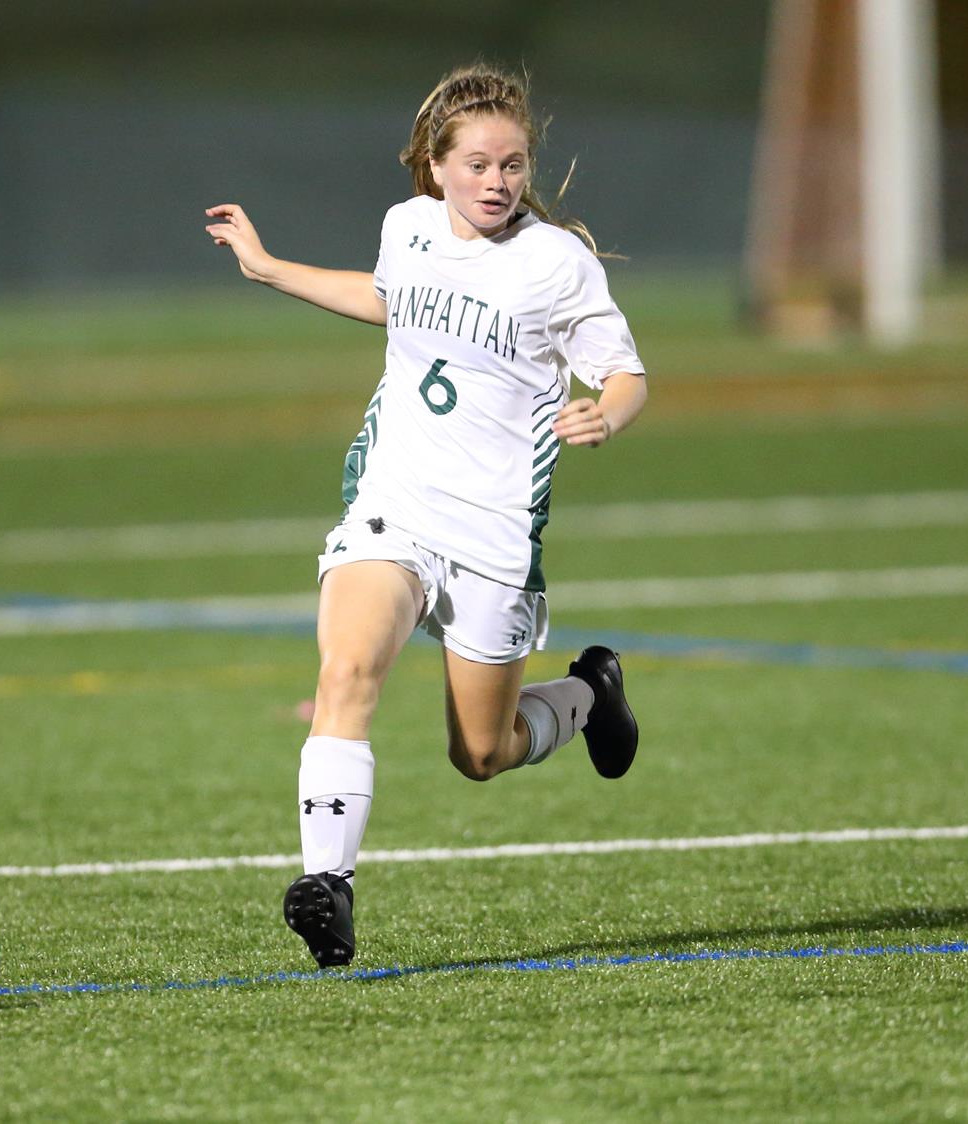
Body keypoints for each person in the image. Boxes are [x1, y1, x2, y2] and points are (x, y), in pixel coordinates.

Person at [204, 62, 647, 969]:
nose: (497, 182)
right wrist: (268, 267)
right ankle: (328, 886)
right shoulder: (406, 228)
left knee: (482, 753)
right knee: (348, 670)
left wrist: (609, 410)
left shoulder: (555, 263)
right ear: (435, 166)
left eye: (513, 166)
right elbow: (390, 299)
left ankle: (588, 694)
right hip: (394, 506)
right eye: (479, 164)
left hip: (491, 531)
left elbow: (626, 372)